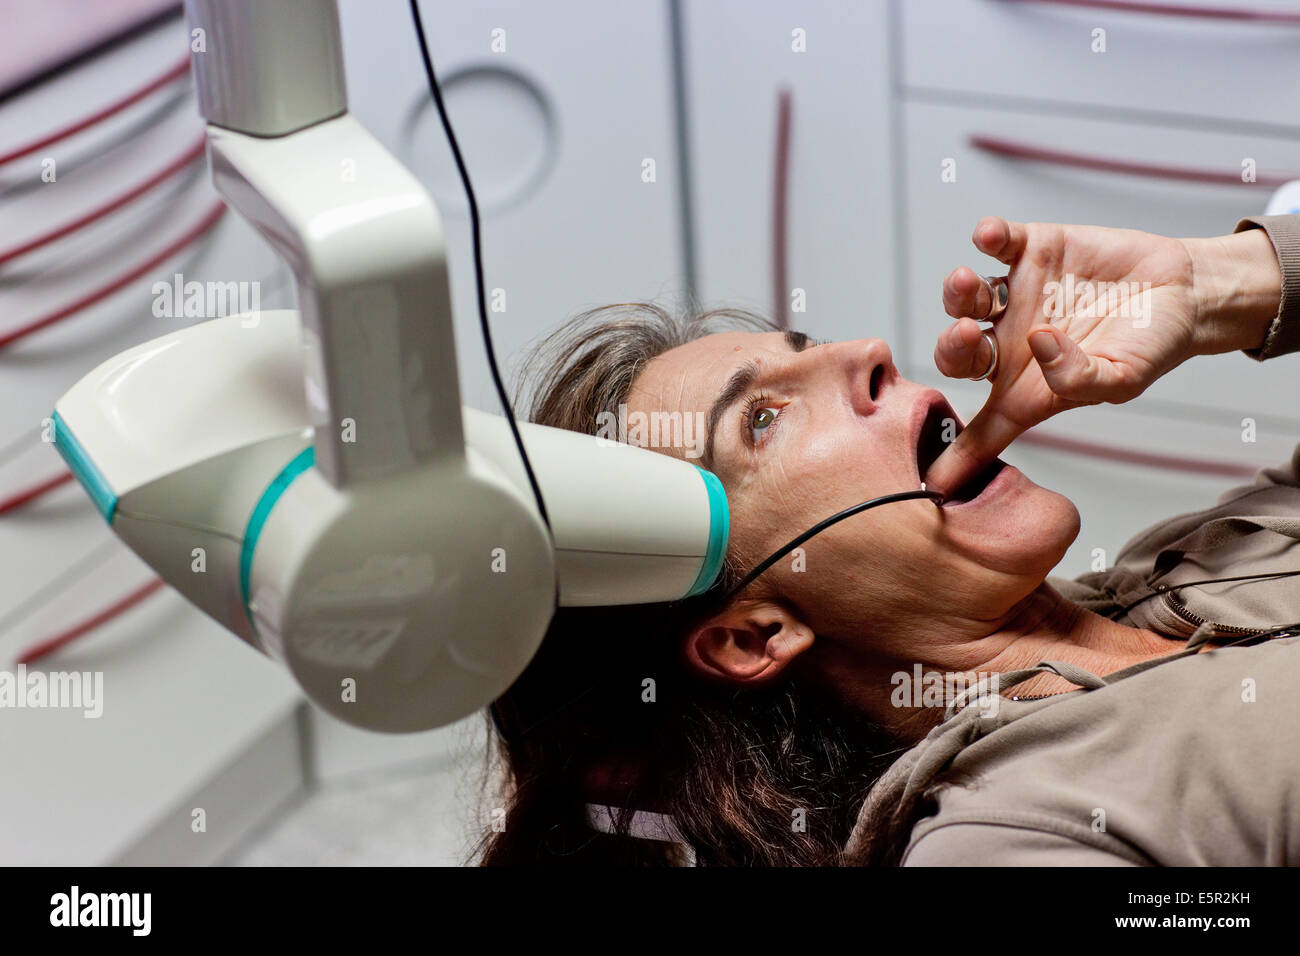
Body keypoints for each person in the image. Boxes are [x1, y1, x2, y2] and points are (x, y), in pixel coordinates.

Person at [478, 212, 1300, 867]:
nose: (867, 350)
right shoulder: (1018, 830)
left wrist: (1217, 286)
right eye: (762, 420)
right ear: (753, 635)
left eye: (809, 346)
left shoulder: (1212, 555)